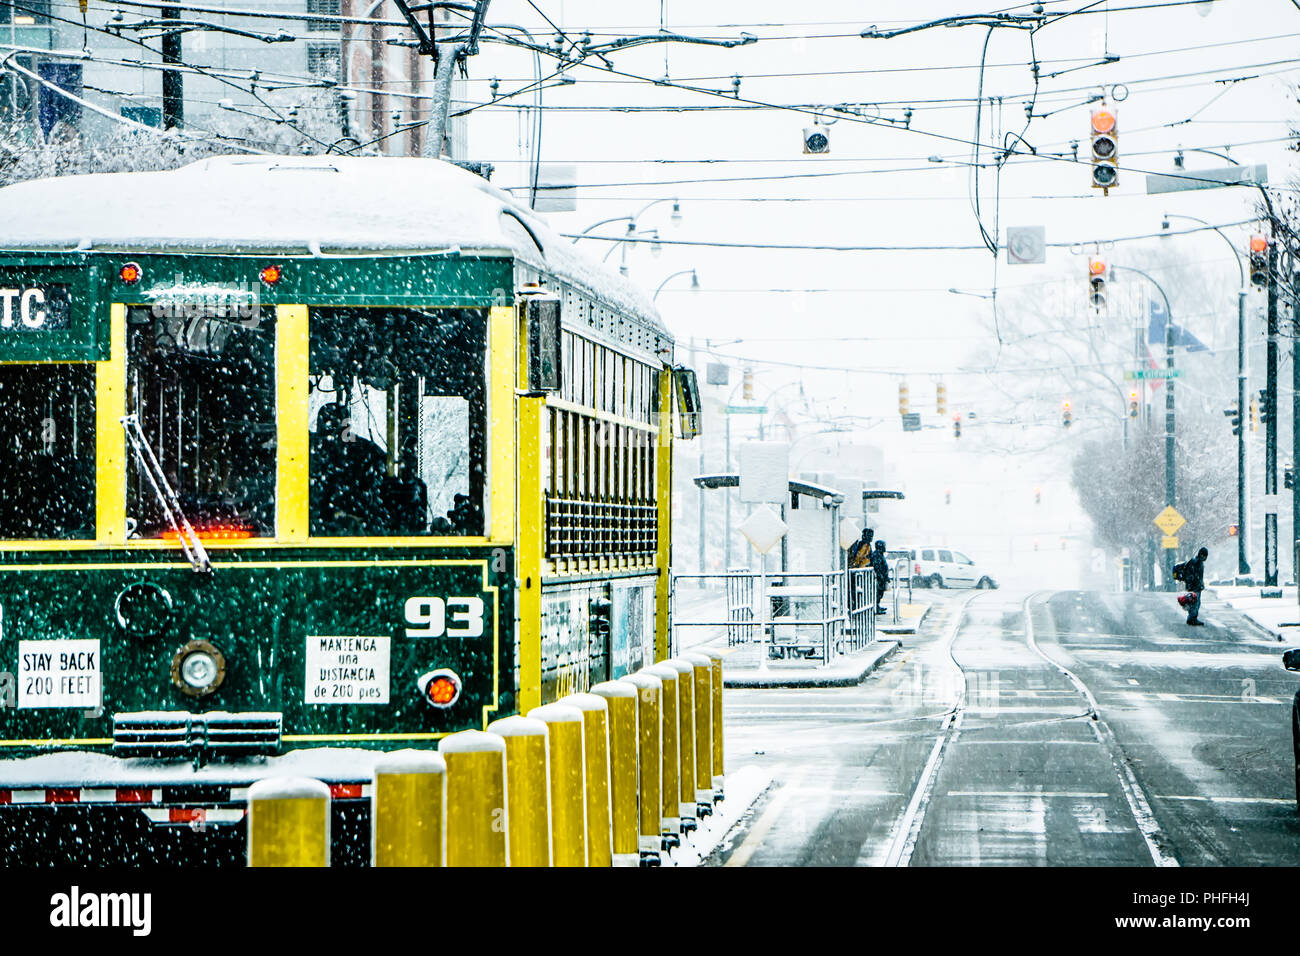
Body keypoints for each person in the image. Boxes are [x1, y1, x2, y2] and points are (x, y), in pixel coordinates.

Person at [1180, 547, 1208, 626]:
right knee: (1195, 603)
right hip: (1194, 587)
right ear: (1201, 554)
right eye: (1204, 555)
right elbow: (1193, 575)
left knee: (1194, 602)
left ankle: (1191, 618)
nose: (1205, 557)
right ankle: (1192, 618)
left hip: (1194, 586)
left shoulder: (1197, 562)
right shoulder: (1196, 562)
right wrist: (1196, 583)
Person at [870, 539, 891, 614]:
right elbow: (877, 567)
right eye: (884, 546)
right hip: (878, 579)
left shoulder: (880, 554)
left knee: (880, 593)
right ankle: (876, 607)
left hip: (881, 578)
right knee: (877, 593)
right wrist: (881, 576)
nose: (885, 548)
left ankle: (877, 606)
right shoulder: (876, 555)